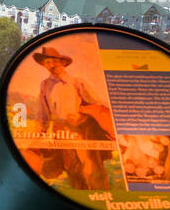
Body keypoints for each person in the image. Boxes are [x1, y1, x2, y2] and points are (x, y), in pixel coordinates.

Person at [34, 45, 114, 190]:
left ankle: (101, 199)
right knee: (72, 169)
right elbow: (43, 112)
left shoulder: (77, 82)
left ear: (63, 63)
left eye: (54, 61)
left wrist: (82, 114)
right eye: (47, 62)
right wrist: (41, 132)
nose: (51, 65)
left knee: (92, 169)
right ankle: (80, 201)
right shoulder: (45, 85)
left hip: (81, 131)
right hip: (61, 133)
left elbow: (98, 104)